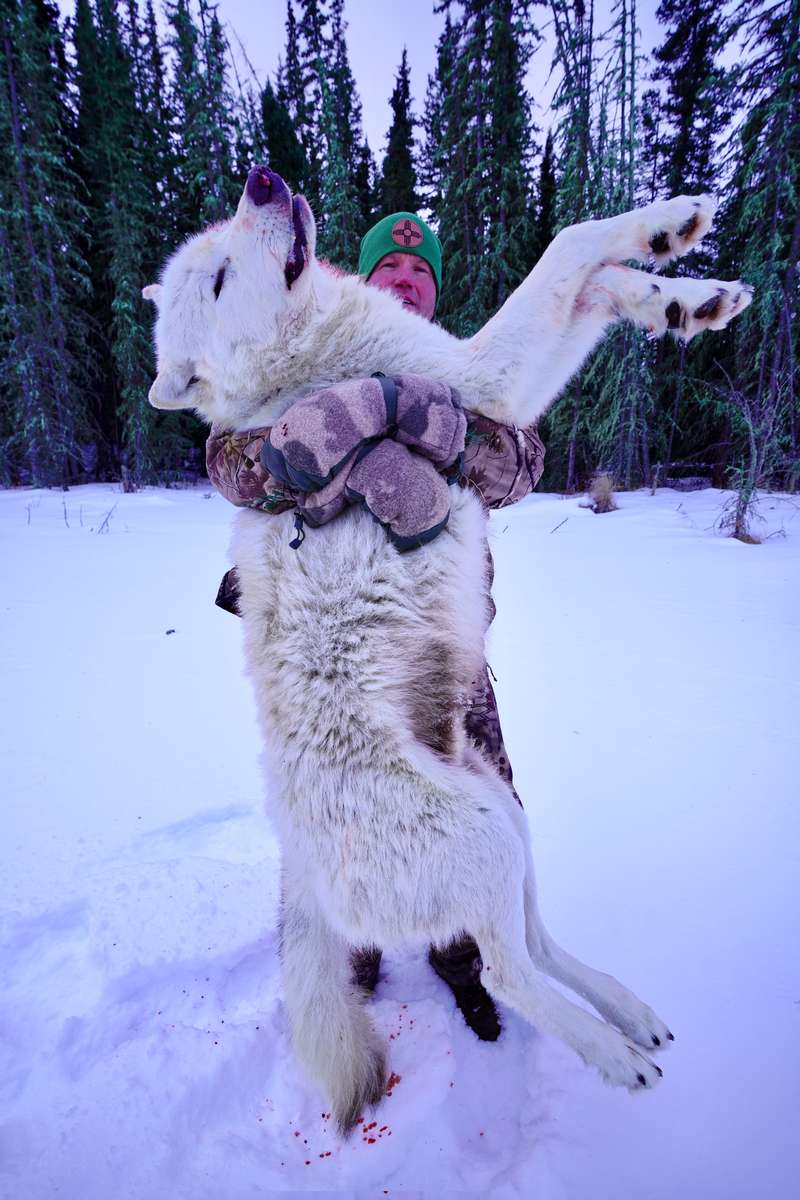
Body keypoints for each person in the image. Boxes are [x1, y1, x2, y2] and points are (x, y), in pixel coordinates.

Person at [206, 211, 545, 1042]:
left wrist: (436, 423)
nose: (403, 276)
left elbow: (520, 468)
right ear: (358, 277)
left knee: (482, 804)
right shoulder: (309, 349)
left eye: (418, 269)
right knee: (340, 804)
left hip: (440, 651)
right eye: (387, 266)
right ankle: (351, 951)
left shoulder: (464, 373)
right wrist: (310, 441)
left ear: (433, 289)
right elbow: (226, 457)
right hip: (333, 645)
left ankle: (469, 958)